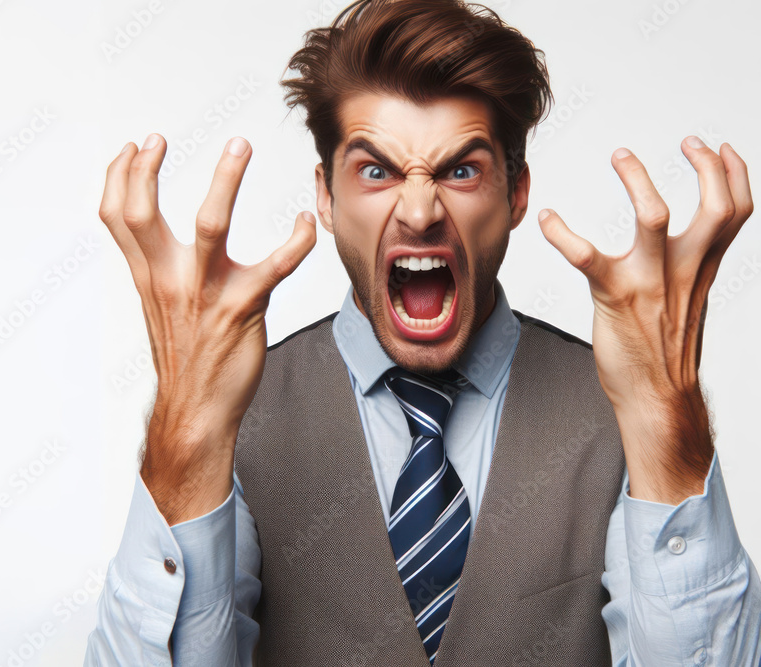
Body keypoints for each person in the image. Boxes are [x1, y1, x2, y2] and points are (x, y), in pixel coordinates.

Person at [86, 0, 761, 664]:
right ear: (325, 196)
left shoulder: (620, 406)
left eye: (461, 169)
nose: (418, 209)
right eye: (375, 170)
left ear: (515, 191)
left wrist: (665, 417)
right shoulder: (239, 411)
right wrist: (187, 429)